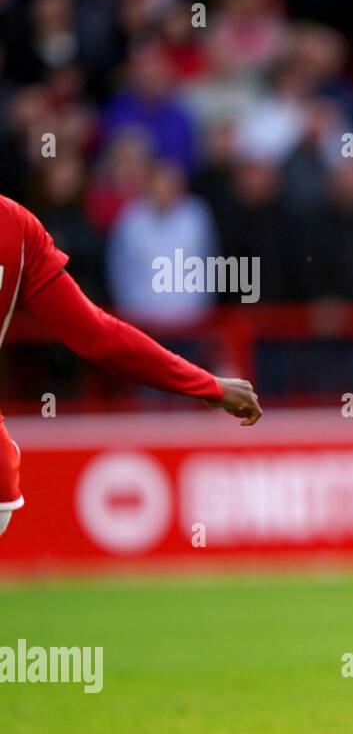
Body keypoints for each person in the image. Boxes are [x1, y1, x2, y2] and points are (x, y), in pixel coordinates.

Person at [0, 195, 262, 538]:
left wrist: (207, 384)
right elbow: (99, 337)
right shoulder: (14, 226)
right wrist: (207, 385)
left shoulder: (17, 229)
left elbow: (100, 336)